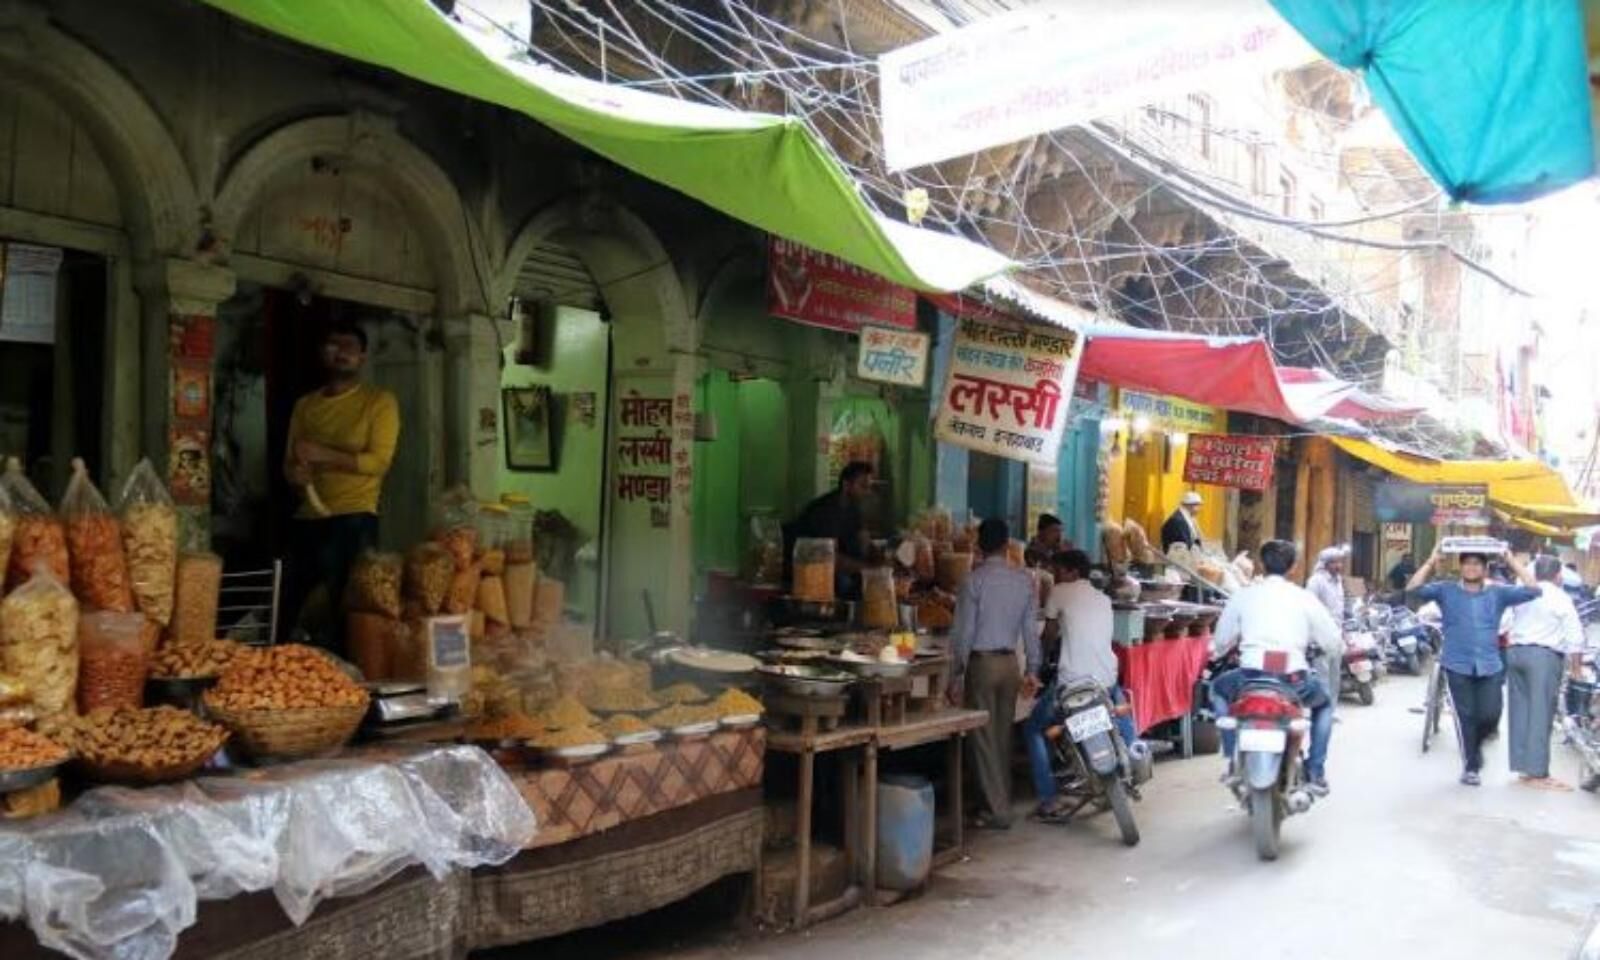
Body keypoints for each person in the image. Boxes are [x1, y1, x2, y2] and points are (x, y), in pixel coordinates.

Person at [282, 320, 401, 655]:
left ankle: (351, 686)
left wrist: (324, 454)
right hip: (307, 517)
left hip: (354, 519)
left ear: (363, 357)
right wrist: (296, 475)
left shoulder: (379, 402)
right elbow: (290, 465)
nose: (341, 353)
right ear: (323, 353)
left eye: (350, 347)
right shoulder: (305, 406)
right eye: (334, 346)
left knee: (346, 612)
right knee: (289, 607)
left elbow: (379, 463)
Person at [1209, 540, 1339, 793]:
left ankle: (1232, 753)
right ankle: (1315, 770)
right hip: (1293, 681)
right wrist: (1325, 648)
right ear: (1293, 567)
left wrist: (1226, 648)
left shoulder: (1243, 596)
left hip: (1250, 680)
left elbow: (1221, 642)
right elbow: (1333, 642)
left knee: (1217, 689)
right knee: (1324, 705)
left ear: (1261, 564)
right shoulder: (1304, 598)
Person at [1406, 545, 1540, 786]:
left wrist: (1510, 559)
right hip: (1457, 664)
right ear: (1461, 567)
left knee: (1490, 714)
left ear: (1485, 568)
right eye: (1467, 563)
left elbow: (1532, 590)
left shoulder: (1498, 593)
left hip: (1489, 664)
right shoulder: (1446, 591)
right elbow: (1413, 589)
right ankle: (1471, 766)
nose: (1471, 567)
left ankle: (1476, 747)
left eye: (1477, 564)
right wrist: (1431, 560)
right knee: (1466, 716)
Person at [1023, 549, 1136, 818]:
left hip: (1071, 684)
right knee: (1121, 716)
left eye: (1060, 570)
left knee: (1033, 729)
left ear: (1073, 572)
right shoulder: (1104, 599)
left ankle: (1049, 799)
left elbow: (1049, 635)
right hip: (1105, 680)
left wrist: (1037, 664)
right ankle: (1132, 760)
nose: (1056, 576)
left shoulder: (1060, 592)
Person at [949, 517, 1041, 830]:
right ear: (1007, 546)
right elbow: (1031, 632)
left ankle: (996, 811)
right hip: (1010, 665)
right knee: (1001, 737)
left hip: (983, 665)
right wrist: (1033, 669)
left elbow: (963, 634)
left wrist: (955, 674)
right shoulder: (1024, 580)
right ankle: (1000, 801)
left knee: (982, 740)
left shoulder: (973, 581)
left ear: (978, 545)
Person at [1505, 556, 1585, 790]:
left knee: (1519, 711)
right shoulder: (1560, 597)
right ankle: (1538, 773)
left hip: (1516, 652)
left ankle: (1523, 767)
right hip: (1543, 657)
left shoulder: (1523, 591)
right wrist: (1577, 669)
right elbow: (1574, 635)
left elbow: (1505, 621)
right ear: (1558, 575)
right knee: (1541, 714)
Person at [787, 461, 874, 597]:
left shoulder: (854, 508)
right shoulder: (826, 511)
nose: (868, 492)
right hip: (810, 574)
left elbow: (863, 543)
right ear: (846, 485)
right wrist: (871, 570)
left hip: (839, 571)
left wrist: (884, 560)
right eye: (863, 486)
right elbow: (830, 558)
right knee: (848, 584)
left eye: (869, 487)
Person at [1307, 545, 1350, 702]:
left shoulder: (1338, 581)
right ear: (1325, 564)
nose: (1338, 566)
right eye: (1334, 562)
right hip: (1321, 635)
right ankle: (1322, 709)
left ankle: (1331, 710)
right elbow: (1310, 608)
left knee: (1334, 674)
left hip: (1336, 634)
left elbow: (1339, 610)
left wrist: (1343, 632)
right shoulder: (1316, 581)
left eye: (1340, 562)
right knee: (1322, 674)